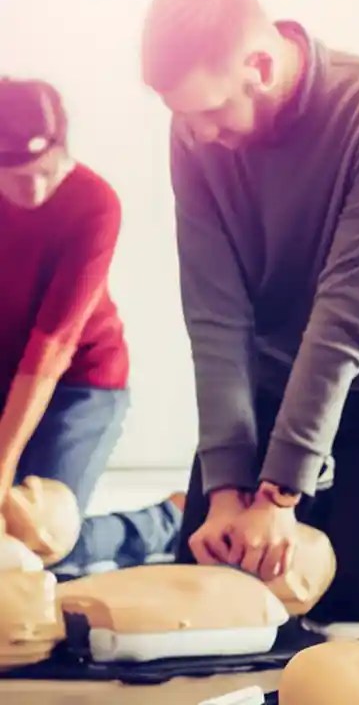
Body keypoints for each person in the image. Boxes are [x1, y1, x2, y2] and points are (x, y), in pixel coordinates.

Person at [139, 0, 359, 626]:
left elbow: (348, 316)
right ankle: (333, 497)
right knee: (211, 583)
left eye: (208, 112)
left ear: (257, 68)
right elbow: (215, 314)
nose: (198, 133)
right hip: (274, 369)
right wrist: (229, 490)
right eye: (183, 117)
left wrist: (281, 493)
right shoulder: (194, 131)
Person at [0, 78, 183, 579]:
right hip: (4, 368)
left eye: (45, 170)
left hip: (81, 379)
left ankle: (167, 520)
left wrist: (1, 467)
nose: (33, 189)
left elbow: (53, 344)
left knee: (39, 548)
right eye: (14, 176)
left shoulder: (95, 202)